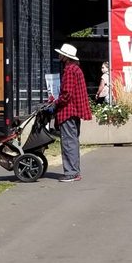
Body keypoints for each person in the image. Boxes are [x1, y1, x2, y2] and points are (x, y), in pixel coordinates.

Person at [52, 43, 92, 182]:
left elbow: (67, 94)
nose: (59, 56)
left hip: (68, 111)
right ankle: (74, 171)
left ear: (66, 57)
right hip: (74, 111)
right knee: (73, 141)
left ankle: (71, 173)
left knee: (68, 142)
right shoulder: (76, 69)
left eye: (61, 54)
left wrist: (56, 103)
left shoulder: (69, 70)